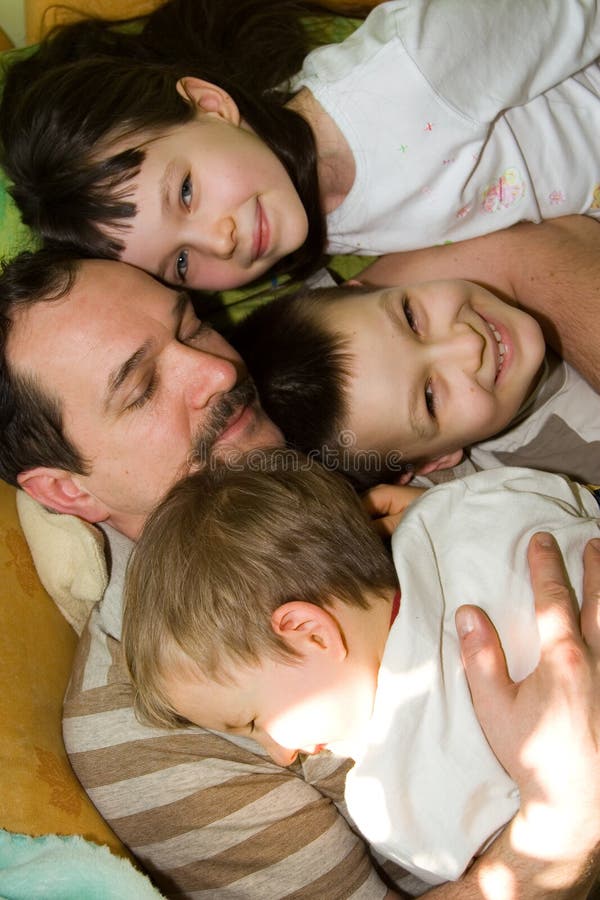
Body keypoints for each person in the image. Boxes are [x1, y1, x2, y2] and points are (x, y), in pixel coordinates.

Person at [1, 245, 600, 898]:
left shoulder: (332, 412)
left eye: (191, 325)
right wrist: (562, 827)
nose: (216, 371)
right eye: (141, 389)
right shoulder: (140, 718)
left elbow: (536, 258)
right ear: (68, 492)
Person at [121, 453, 600, 885]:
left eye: (253, 722)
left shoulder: (392, 794)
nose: (280, 754)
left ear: (311, 633)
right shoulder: (455, 508)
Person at [2, 1, 600, 291]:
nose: (220, 240)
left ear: (211, 103)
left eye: (185, 193)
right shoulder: (302, 224)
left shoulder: (409, 75)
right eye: (180, 264)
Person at [231, 269, 600, 490]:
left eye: (410, 318)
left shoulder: (476, 230)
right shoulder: (563, 484)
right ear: (435, 462)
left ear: (366, 286)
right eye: (428, 397)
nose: (468, 343)